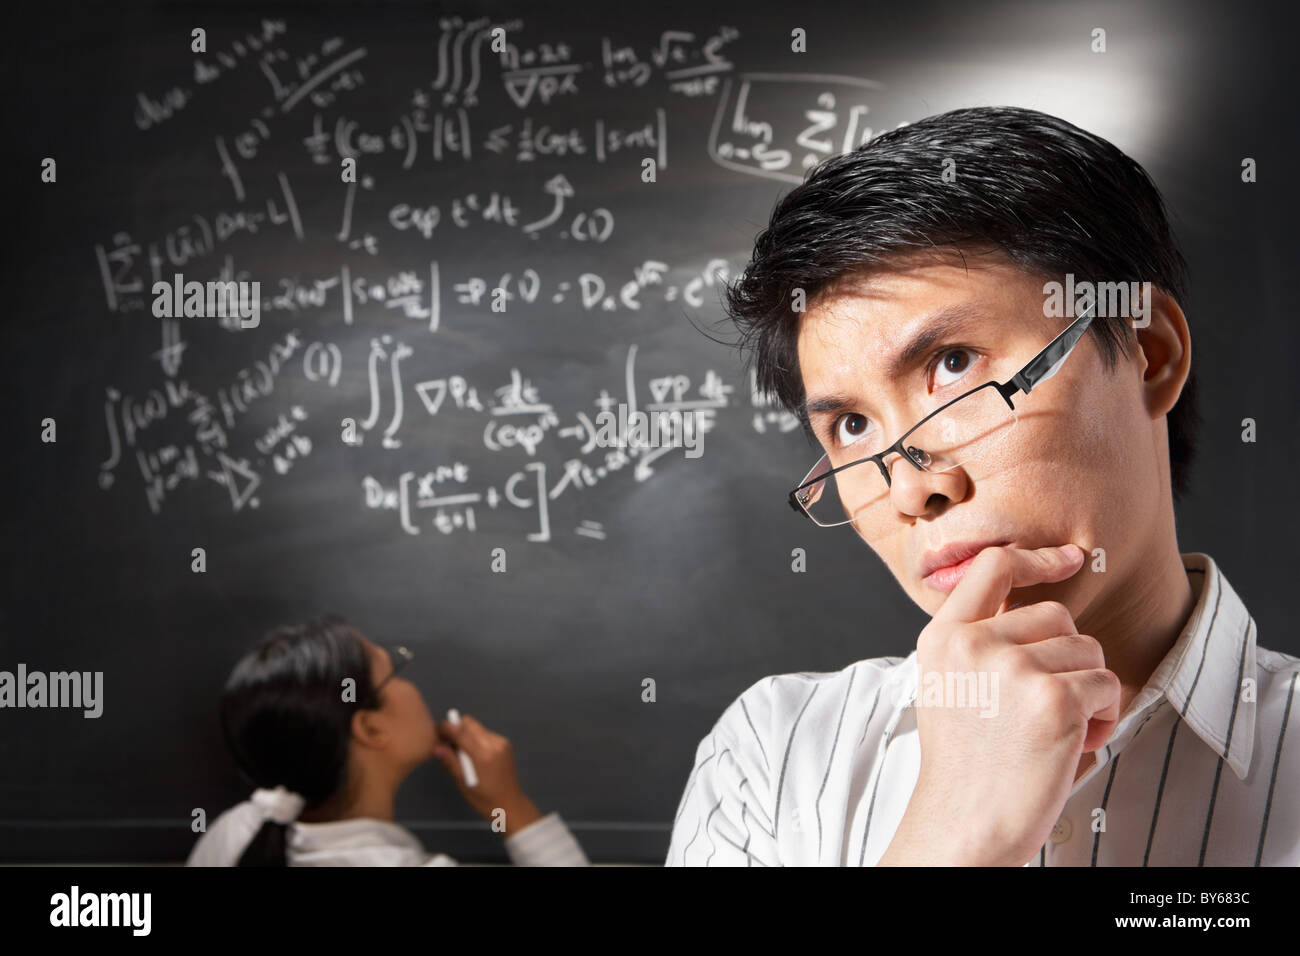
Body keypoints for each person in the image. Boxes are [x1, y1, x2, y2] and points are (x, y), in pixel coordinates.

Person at [667, 106, 1298, 866]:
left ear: (1147, 353)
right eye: (853, 428)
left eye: (955, 364)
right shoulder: (771, 760)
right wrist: (954, 837)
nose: (910, 491)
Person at [187, 615, 588, 866]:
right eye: (395, 671)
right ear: (371, 729)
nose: (411, 684)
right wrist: (513, 809)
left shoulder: (236, 833)